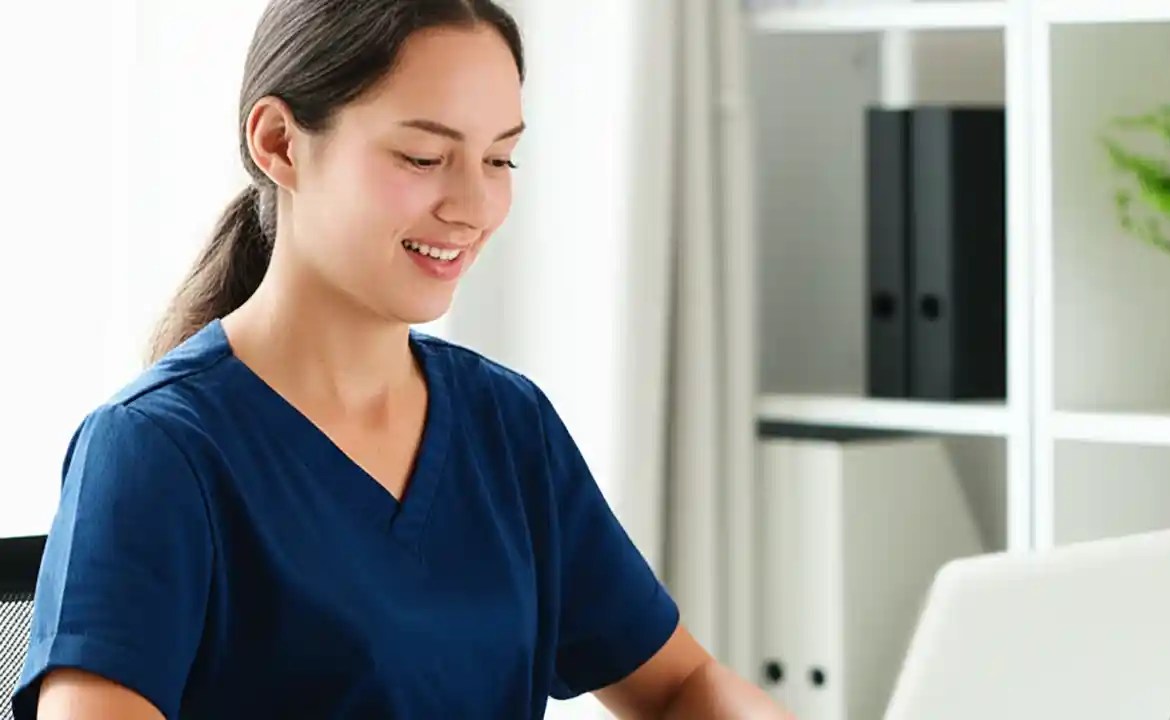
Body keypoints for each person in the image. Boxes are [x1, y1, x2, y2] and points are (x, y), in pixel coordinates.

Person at [11, 1, 788, 718]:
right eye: (423, 158)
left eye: (499, 161)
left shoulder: (507, 428)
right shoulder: (156, 452)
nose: (474, 207)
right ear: (279, 142)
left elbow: (682, 683)